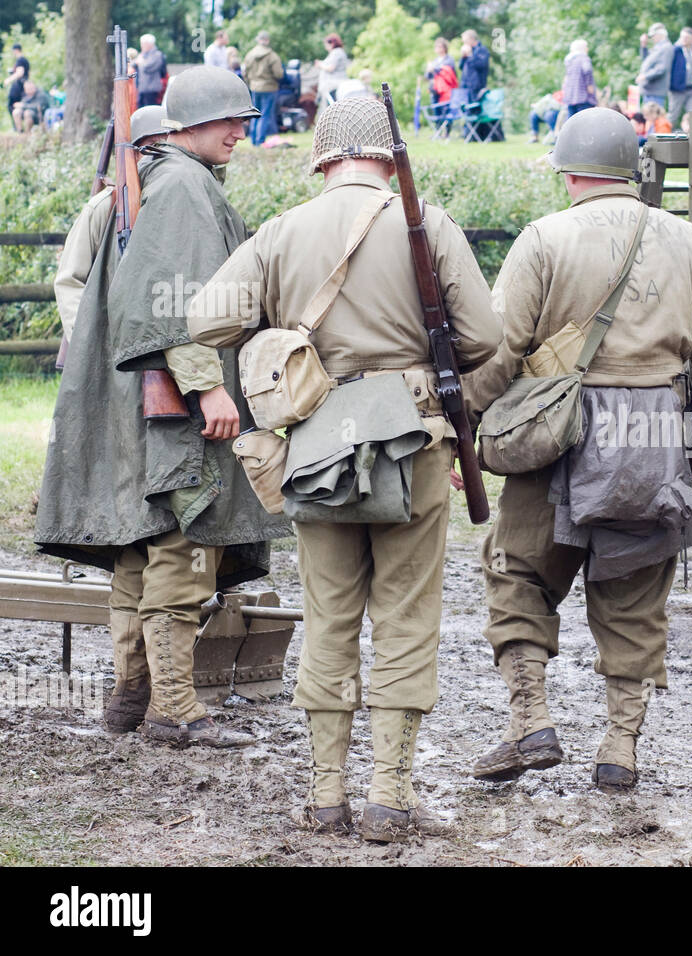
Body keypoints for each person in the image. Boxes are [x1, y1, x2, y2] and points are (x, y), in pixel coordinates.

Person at [187, 95, 503, 840]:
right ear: (390, 158)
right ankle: (390, 796)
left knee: (330, 618)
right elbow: (486, 336)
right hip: (414, 444)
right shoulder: (428, 227)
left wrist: (282, 333)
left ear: (324, 155)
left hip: (315, 449)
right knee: (405, 619)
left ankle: (326, 795)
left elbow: (206, 318)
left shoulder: (282, 231)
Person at [466, 108, 692, 793]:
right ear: (633, 169)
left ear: (568, 171)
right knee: (636, 594)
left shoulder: (544, 237)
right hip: (654, 441)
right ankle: (620, 748)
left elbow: (502, 352)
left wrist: (468, 421)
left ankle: (531, 719)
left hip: (562, 436)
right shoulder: (689, 240)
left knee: (518, 575)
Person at [35, 66, 286, 748]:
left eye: (245, 119)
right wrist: (207, 383)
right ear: (187, 126)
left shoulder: (158, 182)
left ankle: (132, 697)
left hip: (149, 400)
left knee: (141, 547)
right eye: (226, 120)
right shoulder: (181, 184)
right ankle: (174, 709)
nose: (241, 130)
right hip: (179, 401)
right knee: (181, 541)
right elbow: (175, 298)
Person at [53, 107, 168, 338]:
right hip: (109, 337)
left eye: (167, 148)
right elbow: (70, 280)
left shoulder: (178, 201)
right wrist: (87, 343)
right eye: (150, 147)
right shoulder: (104, 207)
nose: (159, 156)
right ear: (131, 154)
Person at [243, 31, 284, 146]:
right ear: (267, 40)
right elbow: (279, 74)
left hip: (255, 88)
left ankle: (254, 141)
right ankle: (260, 141)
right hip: (269, 88)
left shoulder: (249, 55)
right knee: (265, 115)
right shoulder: (272, 56)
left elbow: (244, 72)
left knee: (255, 114)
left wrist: (251, 83)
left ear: (258, 40)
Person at [668, 27, 692, 130]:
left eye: (687, 37)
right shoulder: (675, 50)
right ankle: (665, 136)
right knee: (673, 115)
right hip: (677, 89)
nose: (684, 39)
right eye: (682, 37)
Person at [425, 37, 458, 136]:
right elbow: (428, 76)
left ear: (444, 48)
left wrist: (434, 68)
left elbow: (446, 71)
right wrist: (429, 70)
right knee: (436, 111)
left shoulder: (449, 59)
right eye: (436, 47)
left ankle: (447, 132)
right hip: (435, 89)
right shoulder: (435, 61)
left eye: (440, 47)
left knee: (446, 111)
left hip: (446, 90)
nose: (438, 49)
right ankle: (438, 132)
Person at [636, 23, 672, 109]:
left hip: (656, 92)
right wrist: (644, 46)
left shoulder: (666, 47)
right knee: (649, 118)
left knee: (654, 118)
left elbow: (661, 69)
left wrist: (645, 76)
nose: (652, 38)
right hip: (649, 90)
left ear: (661, 34)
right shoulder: (657, 48)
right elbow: (646, 61)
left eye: (653, 35)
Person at [561, 39, 596, 124]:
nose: (587, 49)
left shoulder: (570, 60)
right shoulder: (583, 58)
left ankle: (569, 137)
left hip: (570, 97)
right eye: (586, 47)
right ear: (583, 48)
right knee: (585, 122)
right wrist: (589, 85)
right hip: (582, 96)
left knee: (571, 122)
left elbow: (566, 77)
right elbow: (587, 70)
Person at [314, 33, 348, 107]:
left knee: (333, 106)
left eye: (326, 45)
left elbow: (331, 67)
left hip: (334, 85)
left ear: (332, 43)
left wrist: (320, 65)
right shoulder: (337, 52)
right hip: (334, 84)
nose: (325, 47)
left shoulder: (337, 52)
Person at [135, 34, 167, 108]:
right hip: (142, 88)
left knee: (151, 112)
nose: (141, 46)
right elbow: (134, 64)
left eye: (143, 44)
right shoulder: (143, 55)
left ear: (149, 44)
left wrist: (140, 62)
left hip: (152, 89)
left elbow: (148, 67)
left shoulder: (157, 55)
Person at [459, 29, 490, 103]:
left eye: (465, 41)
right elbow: (460, 67)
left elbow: (481, 65)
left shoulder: (482, 50)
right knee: (467, 110)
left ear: (472, 39)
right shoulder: (467, 50)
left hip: (477, 87)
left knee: (477, 109)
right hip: (465, 86)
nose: (464, 43)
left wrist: (470, 55)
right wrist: (463, 57)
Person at [6, 43, 30, 130]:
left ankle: (17, 128)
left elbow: (20, 72)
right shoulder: (24, 60)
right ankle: (18, 127)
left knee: (12, 105)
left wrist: (8, 80)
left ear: (15, 50)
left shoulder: (20, 60)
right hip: (22, 85)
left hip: (19, 86)